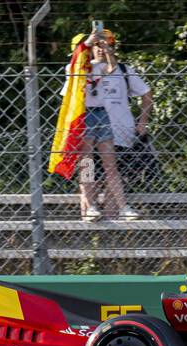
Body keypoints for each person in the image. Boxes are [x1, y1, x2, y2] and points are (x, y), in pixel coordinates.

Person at [67, 28, 152, 221]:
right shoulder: (77, 68)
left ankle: (118, 213)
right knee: (87, 166)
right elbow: (72, 79)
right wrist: (87, 45)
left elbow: (112, 70)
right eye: (95, 45)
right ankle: (89, 208)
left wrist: (108, 52)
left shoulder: (119, 69)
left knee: (110, 169)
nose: (98, 48)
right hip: (86, 120)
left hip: (112, 125)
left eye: (103, 44)